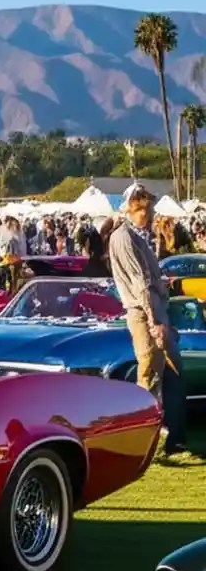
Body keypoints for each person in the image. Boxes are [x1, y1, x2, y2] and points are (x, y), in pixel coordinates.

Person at [108, 186, 188, 456]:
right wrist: (154, 321)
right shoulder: (123, 238)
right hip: (144, 314)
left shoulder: (135, 236)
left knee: (172, 373)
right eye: (147, 210)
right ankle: (144, 442)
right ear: (134, 209)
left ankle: (175, 437)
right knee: (150, 376)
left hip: (153, 310)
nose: (152, 214)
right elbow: (139, 282)